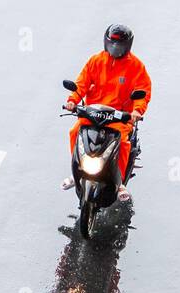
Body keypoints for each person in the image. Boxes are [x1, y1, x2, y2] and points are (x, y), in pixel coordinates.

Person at [62, 24, 151, 201]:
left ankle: (120, 184)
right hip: (93, 112)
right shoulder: (96, 61)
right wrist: (72, 101)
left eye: (119, 46)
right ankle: (77, 170)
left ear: (128, 46)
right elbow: (82, 84)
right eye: (112, 45)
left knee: (123, 143)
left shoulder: (136, 67)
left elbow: (143, 92)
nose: (115, 49)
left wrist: (136, 111)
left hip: (118, 116)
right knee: (74, 133)